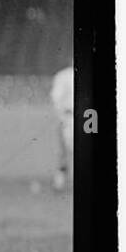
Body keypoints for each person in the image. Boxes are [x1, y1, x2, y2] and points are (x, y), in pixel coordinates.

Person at [50, 63, 73, 192]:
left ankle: (60, 182)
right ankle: (59, 182)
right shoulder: (64, 75)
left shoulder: (63, 75)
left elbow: (55, 97)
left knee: (65, 152)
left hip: (73, 117)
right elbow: (56, 97)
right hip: (80, 117)